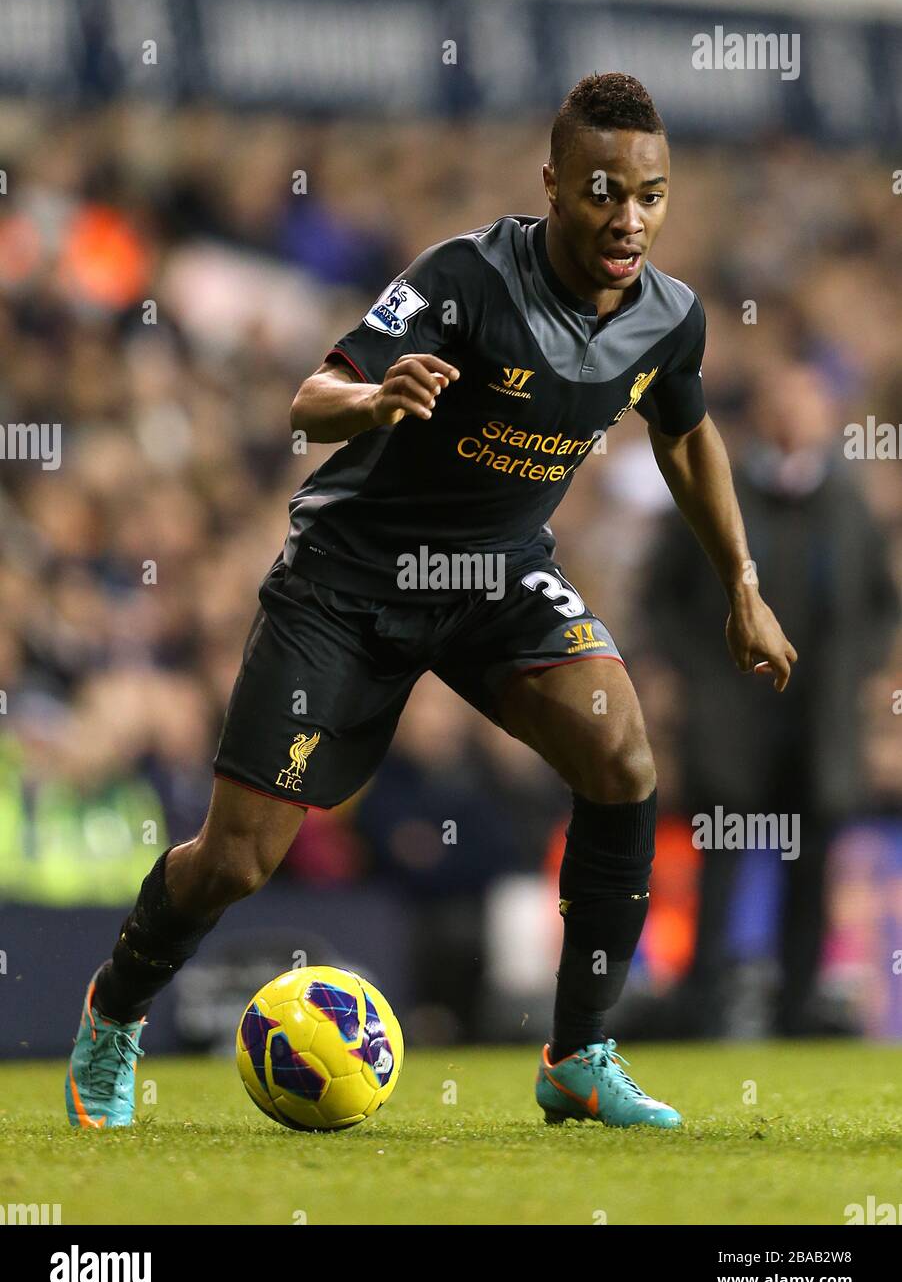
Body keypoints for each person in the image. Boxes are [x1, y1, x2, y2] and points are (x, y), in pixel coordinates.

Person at [66, 73, 796, 1131]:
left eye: (650, 195)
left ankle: (578, 1054)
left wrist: (741, 584)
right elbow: (307, 399)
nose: (627, 218)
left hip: (493, 571)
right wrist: (373, 397)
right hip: (347, 579)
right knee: (239, 857)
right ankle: (114, 1013)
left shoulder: (666, 319)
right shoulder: (464, 278)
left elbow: (683, 434)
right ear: (551, 183)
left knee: (622, 756)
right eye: (602, 192)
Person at [642, 364, 899, 1036]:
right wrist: (689, 672)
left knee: (810, 862)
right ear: (757, 414)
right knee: (722, 857)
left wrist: (860, 672)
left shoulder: (848, 504)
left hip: (818, 718)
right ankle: (703, 1005)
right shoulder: (712, 494)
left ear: (825, 416)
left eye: (806, 404)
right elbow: (659, 598)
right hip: (732, 712)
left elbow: (879, 605)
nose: (792, 418)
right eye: (779, 403)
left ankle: (798, 1006)